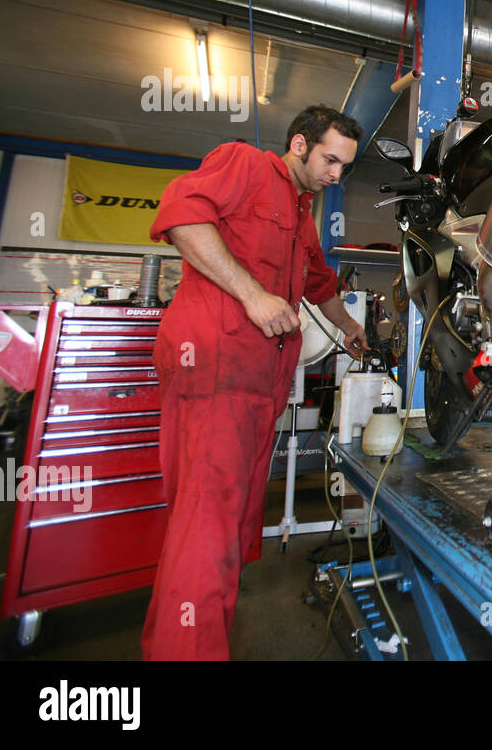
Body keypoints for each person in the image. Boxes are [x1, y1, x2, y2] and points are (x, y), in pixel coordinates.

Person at [141, 105, 369, 660]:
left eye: (345, 166)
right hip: (216, 368)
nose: (337, 174)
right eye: (330, 160)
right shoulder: (243, 164)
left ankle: (193, 638)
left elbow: (318, 282)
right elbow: (181, 216)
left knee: (224, 523)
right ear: (298, 145)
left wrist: (352, 329)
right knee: (206, 526)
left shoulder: (301, 212)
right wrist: (252, 294)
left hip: (255, 385)